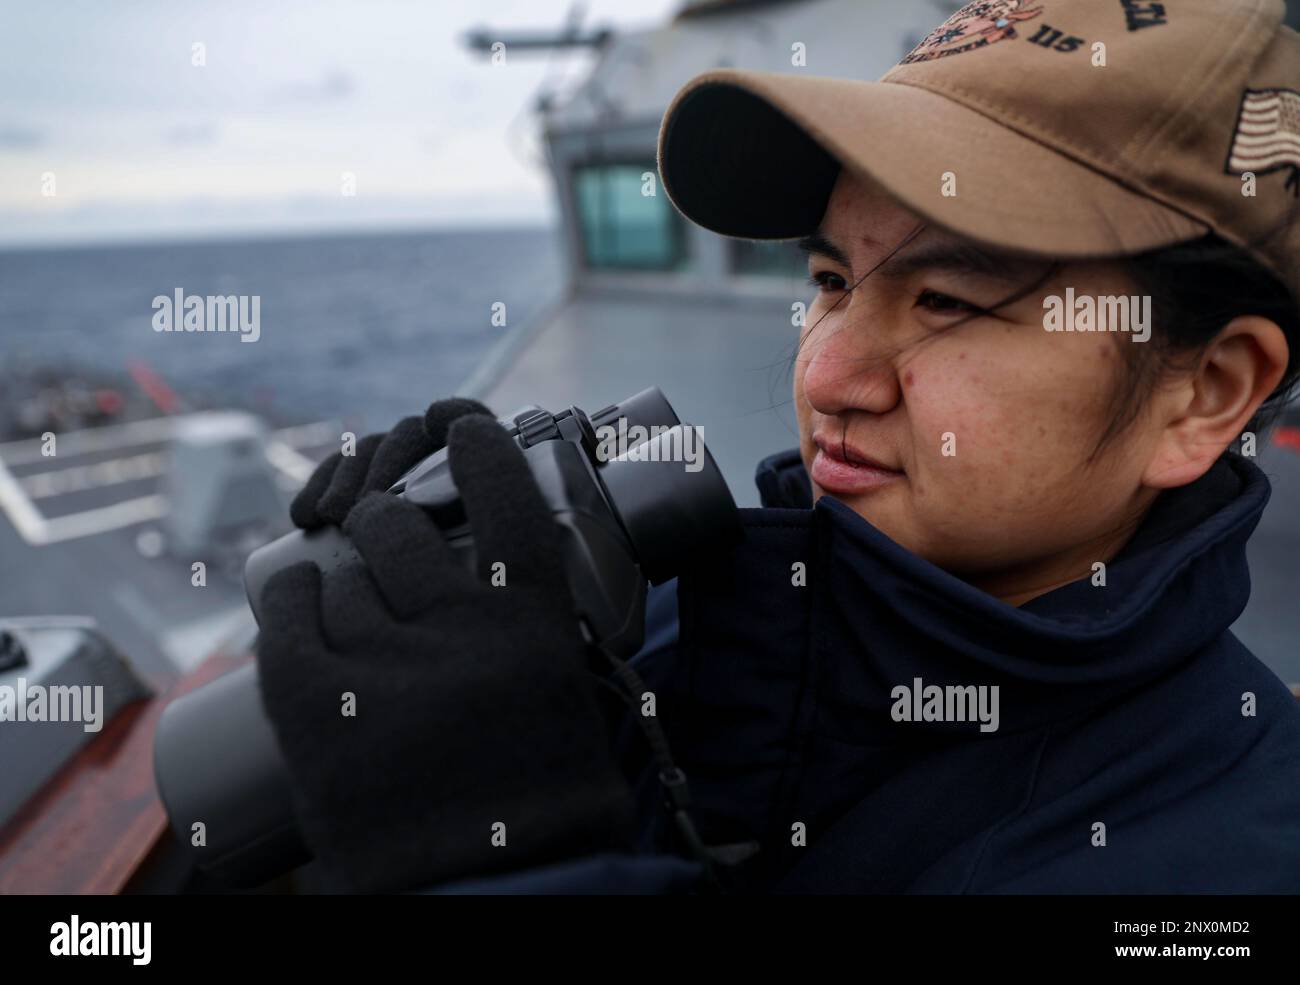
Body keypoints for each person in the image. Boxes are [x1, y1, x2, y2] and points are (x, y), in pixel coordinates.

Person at [256, 0, 1300, 893]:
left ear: (1202, 396)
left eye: (947, 299)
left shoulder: (1231, 856)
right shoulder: (695, 621)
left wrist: (501, 855)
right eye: (831, 281)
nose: (827, 376)